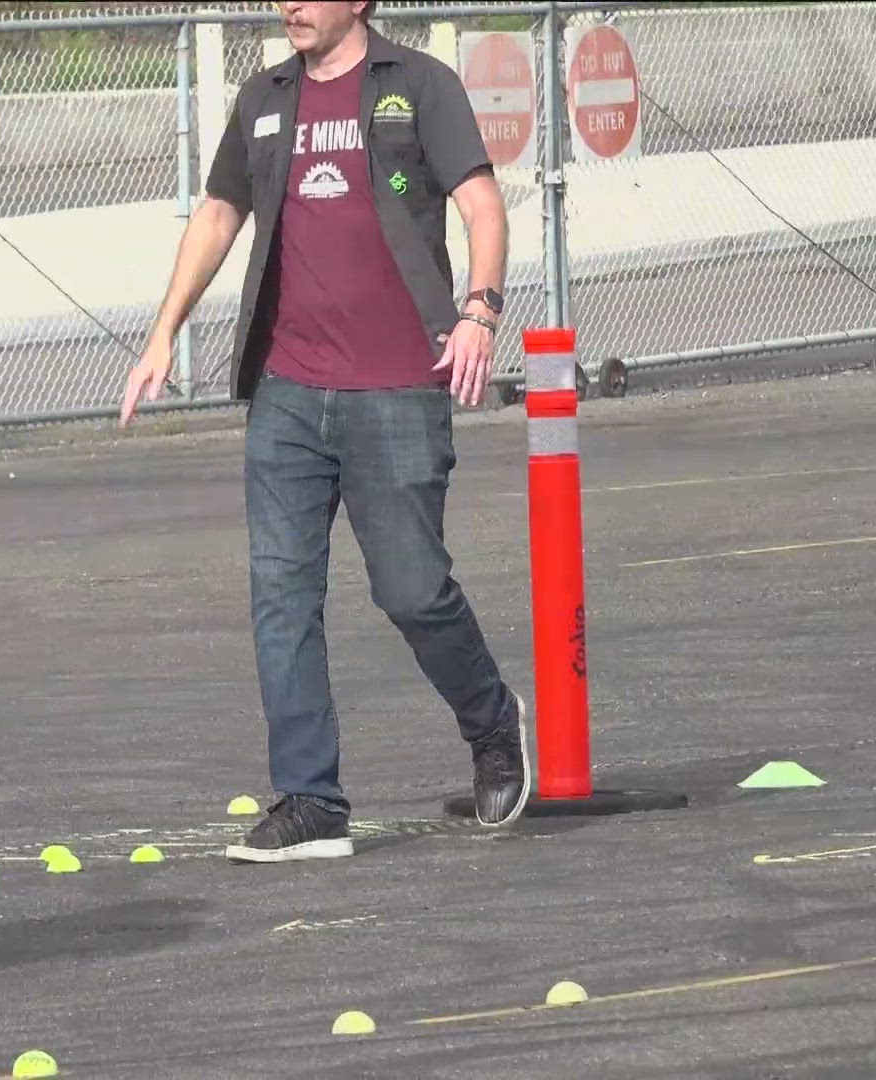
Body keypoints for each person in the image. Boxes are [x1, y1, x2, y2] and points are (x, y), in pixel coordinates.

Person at [118, 0, 530, 863]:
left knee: (412, 592)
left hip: (398, 393)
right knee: (281, 596)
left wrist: (480, 313)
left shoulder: (420, 86)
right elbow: (219, 214)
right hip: (289, 394)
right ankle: (310, 798)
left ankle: (492, 720)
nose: (290, 6)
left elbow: (482, 207)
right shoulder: (262, 99)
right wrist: (163, 330)